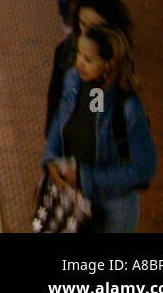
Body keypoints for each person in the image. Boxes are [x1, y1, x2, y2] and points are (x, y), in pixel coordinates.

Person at [42, 22, 156, 233]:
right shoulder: (73, 82)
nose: (79, 64)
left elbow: (143, 169)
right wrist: (50, 156)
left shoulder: (128, 108)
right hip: (73, 196)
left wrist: (87, 179)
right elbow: (60, 121)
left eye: (88, 59)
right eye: (78, 55)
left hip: (112, 208)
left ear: (108, 64)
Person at [45, 0, 133, 134]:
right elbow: (55, 94)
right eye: (83, 23)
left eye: (94, 26)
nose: (86, 31)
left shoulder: (117, 60)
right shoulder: (65, 51)